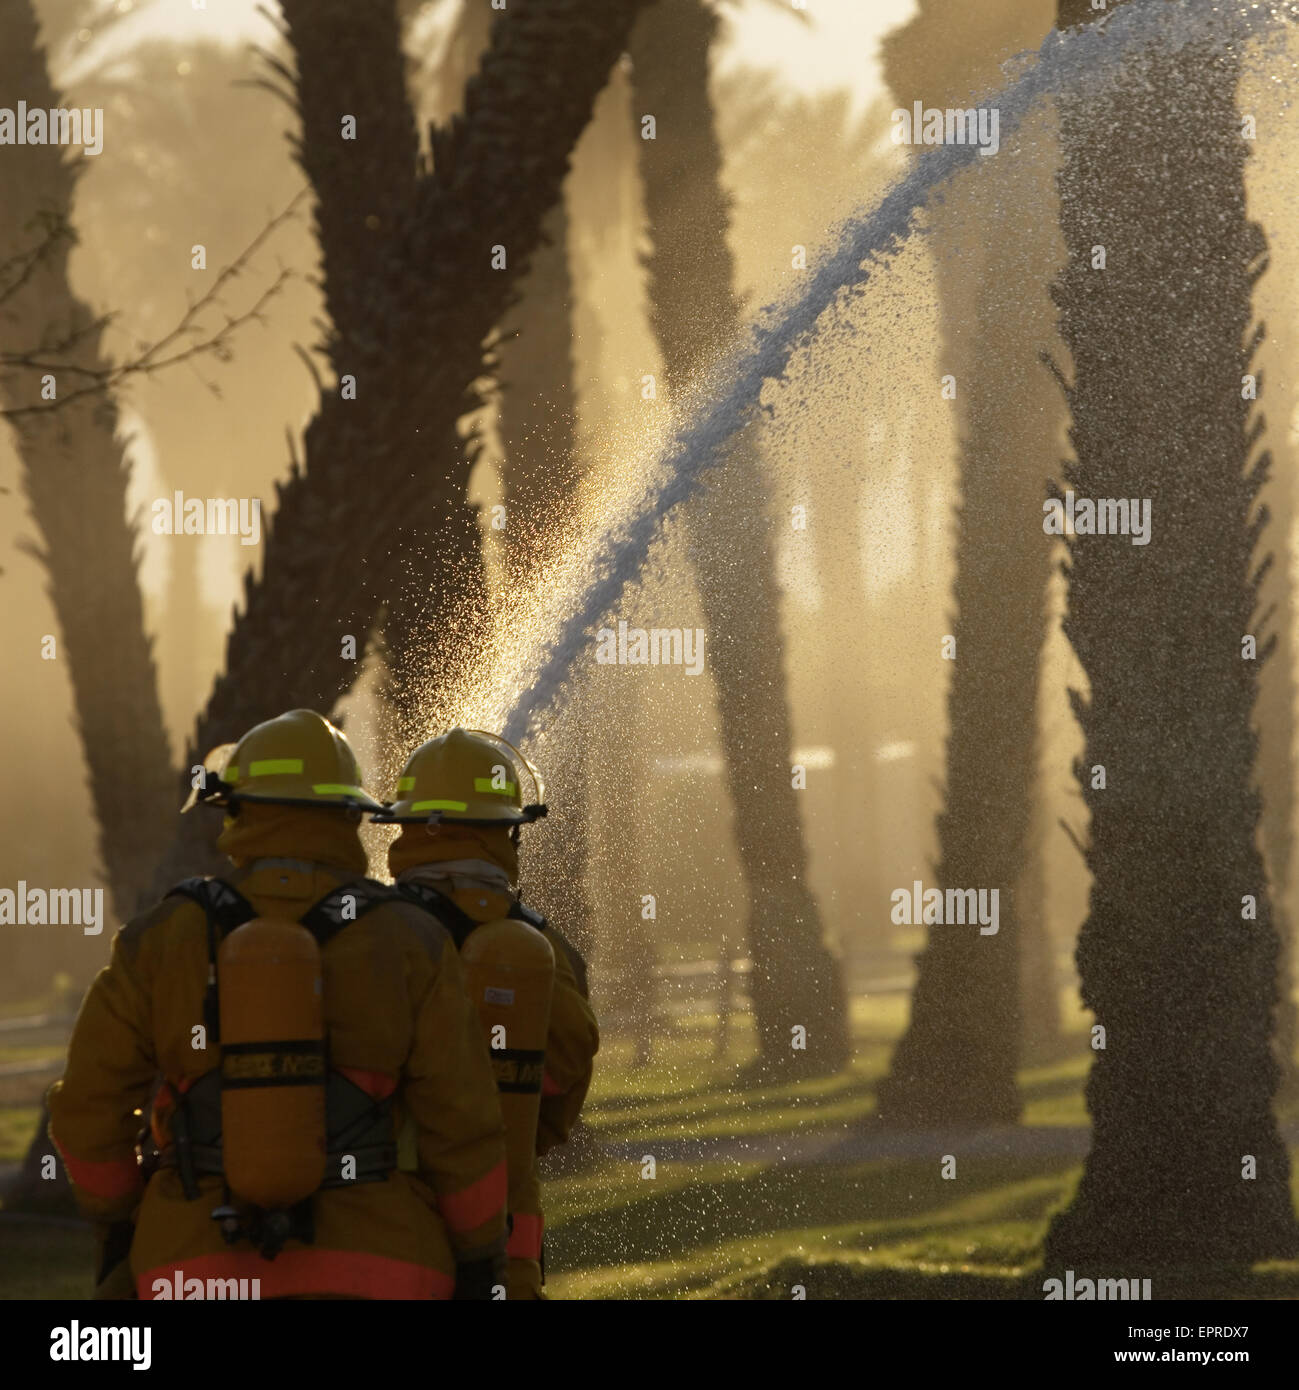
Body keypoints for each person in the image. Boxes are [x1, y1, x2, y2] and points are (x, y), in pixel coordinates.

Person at [48, 709, 507, 1300]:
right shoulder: (411, 938)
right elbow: (465, 1125)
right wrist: (478, 1258)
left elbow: (86, 1112)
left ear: (238, 810)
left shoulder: (164, 935)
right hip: (387, 1270)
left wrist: (124, 1223)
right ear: (349, 815)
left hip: (191, 1274)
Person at [377, 728, 599, 1299]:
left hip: (386, 1232)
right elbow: (558, 1105)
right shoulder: (541, 948)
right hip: (507, 1246)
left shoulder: (366, 936)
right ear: (509, 833)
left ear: (407, 827)